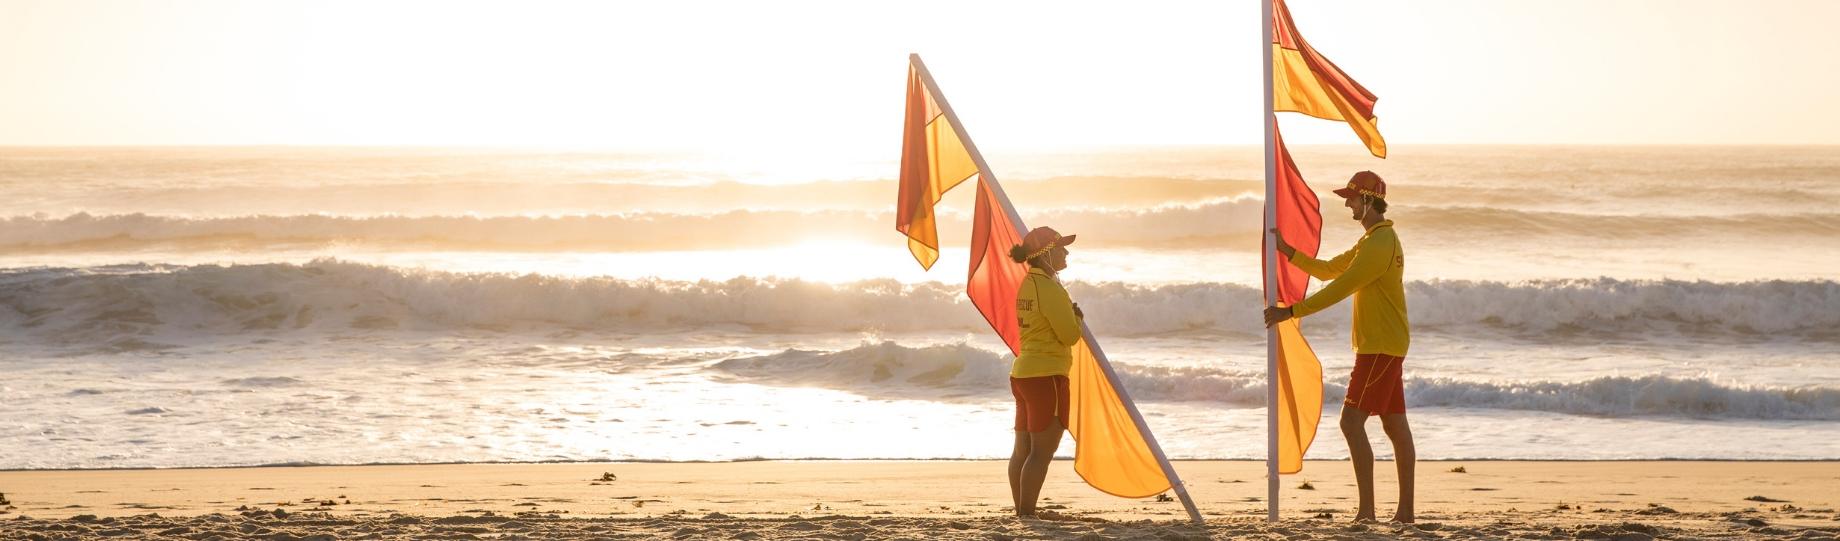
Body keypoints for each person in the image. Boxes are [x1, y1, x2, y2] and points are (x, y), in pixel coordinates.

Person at [1264, 170, 1415, 523]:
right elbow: (1331, 269)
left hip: (1379, 346)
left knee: (1350, 423)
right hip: (1384, 343)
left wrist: (1291, 311)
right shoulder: (1374, 239)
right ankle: (1404, 513)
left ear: (1367, 199)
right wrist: (1290, 253)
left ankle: (1367, 513)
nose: (1347, 203)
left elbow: (1340, 287)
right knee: (1394, 426)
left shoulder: (1380, 244)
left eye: (1351, 198)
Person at [1006, 226, 1082, 519]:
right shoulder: (1050, 289)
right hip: (1047, 376)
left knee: (1022, 451)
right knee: (1040, 454)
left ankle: (1022, 512)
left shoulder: (1026, 285)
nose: (1066, 252)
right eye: (1060, 247)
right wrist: (1076, 316)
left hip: (1023, 375)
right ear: (1046, 253)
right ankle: (1027, 515)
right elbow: (1069, 336)